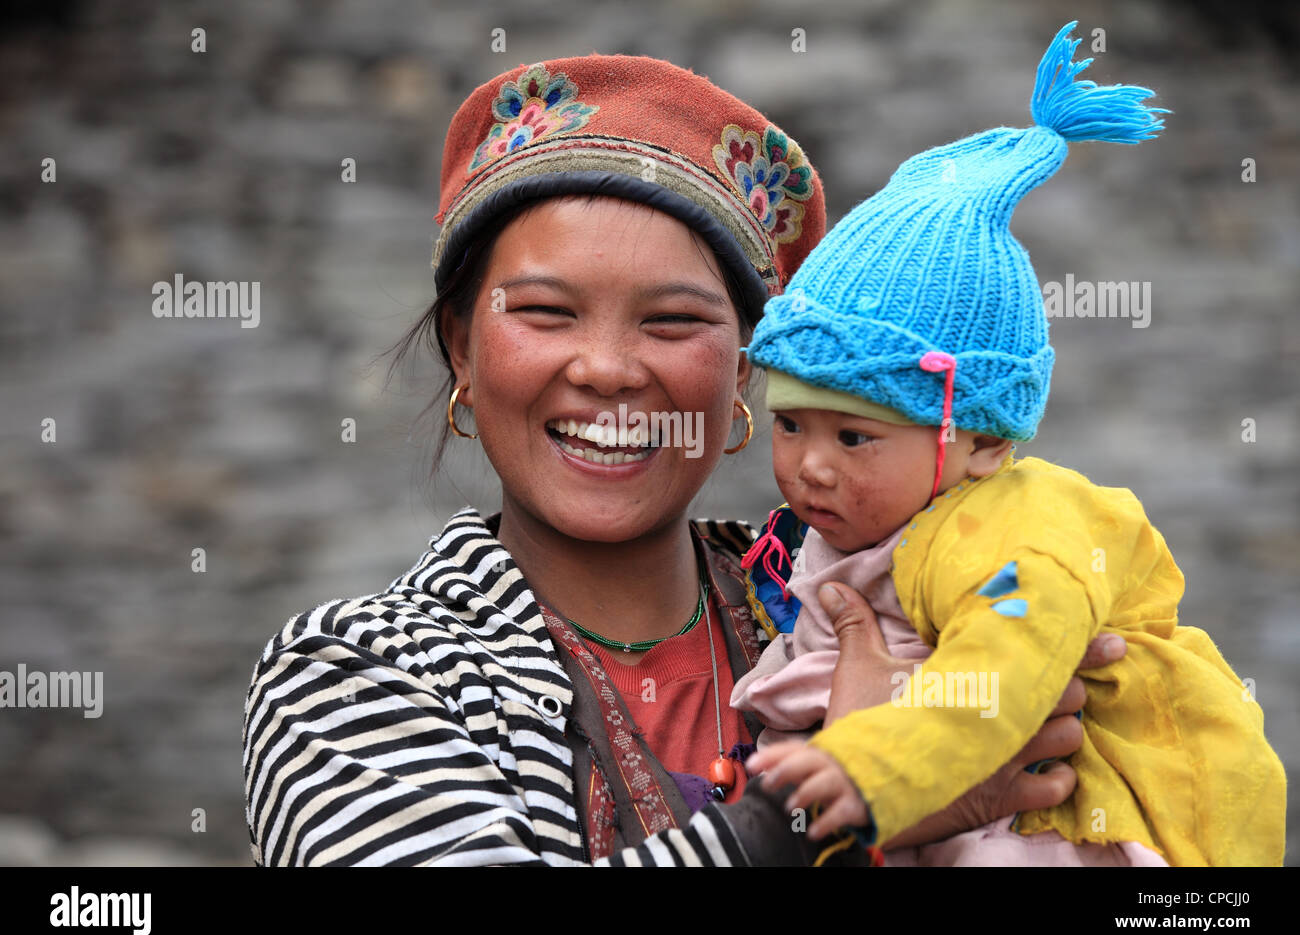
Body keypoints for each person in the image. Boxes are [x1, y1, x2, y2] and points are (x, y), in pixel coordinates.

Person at [242, 51, 1129, 866]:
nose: (608, 370)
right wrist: (839, 799)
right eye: (546, 312)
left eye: (673, 323)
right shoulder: (353, 677)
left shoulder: (885, 599)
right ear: (463, 352)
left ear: (746, 373)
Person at [734, 23, 1287, 866]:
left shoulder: (1018, 531)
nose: (810, 465)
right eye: (789, 424)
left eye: (855, 435)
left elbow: (1001, 669)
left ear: (984, 442)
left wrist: (872, 765)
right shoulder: (847, 532)